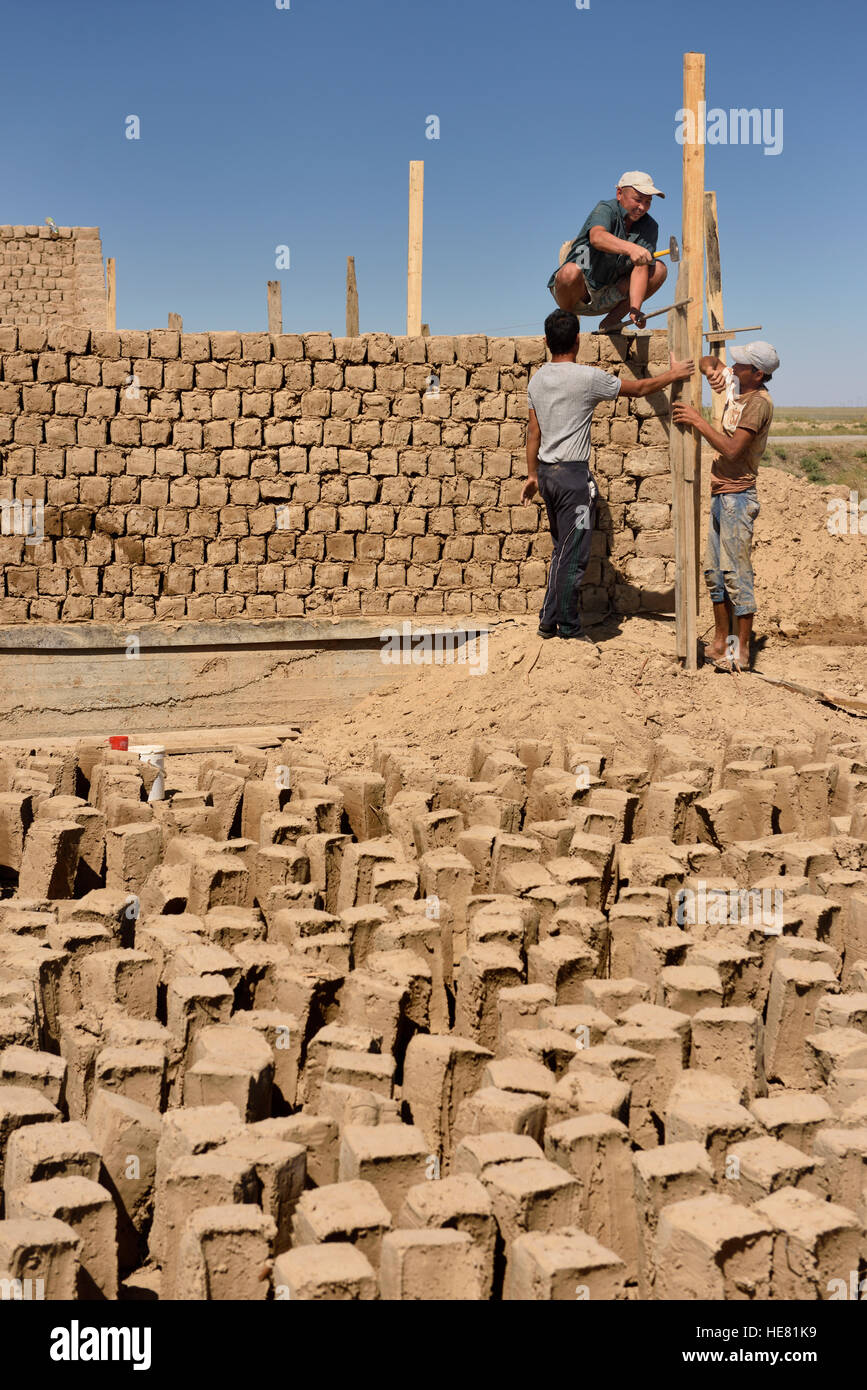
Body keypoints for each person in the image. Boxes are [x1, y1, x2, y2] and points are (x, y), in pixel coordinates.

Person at [522, 309, 693, 641]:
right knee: (576, 557)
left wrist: (531, 475)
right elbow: (641, 388)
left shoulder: (537, 379)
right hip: (574, 482)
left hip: (547, 476)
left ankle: (547, 621)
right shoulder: (587, 378)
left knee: (562, 551)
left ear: (546, 342)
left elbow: (533, 432)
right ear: (578, 341)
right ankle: (569, 629)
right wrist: (673, 375)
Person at [671, 340, 779, 673]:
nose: (735, 368)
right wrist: (711, 369)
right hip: (722, 495)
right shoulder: (738, 384)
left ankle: (740, 650)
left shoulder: (758, 404)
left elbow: (733, 450)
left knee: (736, 576)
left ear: (758, 374)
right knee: (715, 575)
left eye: (742, 365)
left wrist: (698, 421)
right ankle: (720, 642)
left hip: (738, 498)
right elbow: (708, 359)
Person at [548, 173, 669, 331]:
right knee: (569, 272)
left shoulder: (650, 226)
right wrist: (631, 248)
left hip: (609, 295)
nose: (642, 207)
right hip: (577, 293)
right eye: (638, 200)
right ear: (619, 194)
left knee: (659, 269)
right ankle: (566, 324)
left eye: (648, 202)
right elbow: (597, 237)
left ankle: (611, 322)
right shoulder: (606, 209)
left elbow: (641, 268)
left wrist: (635, 309)